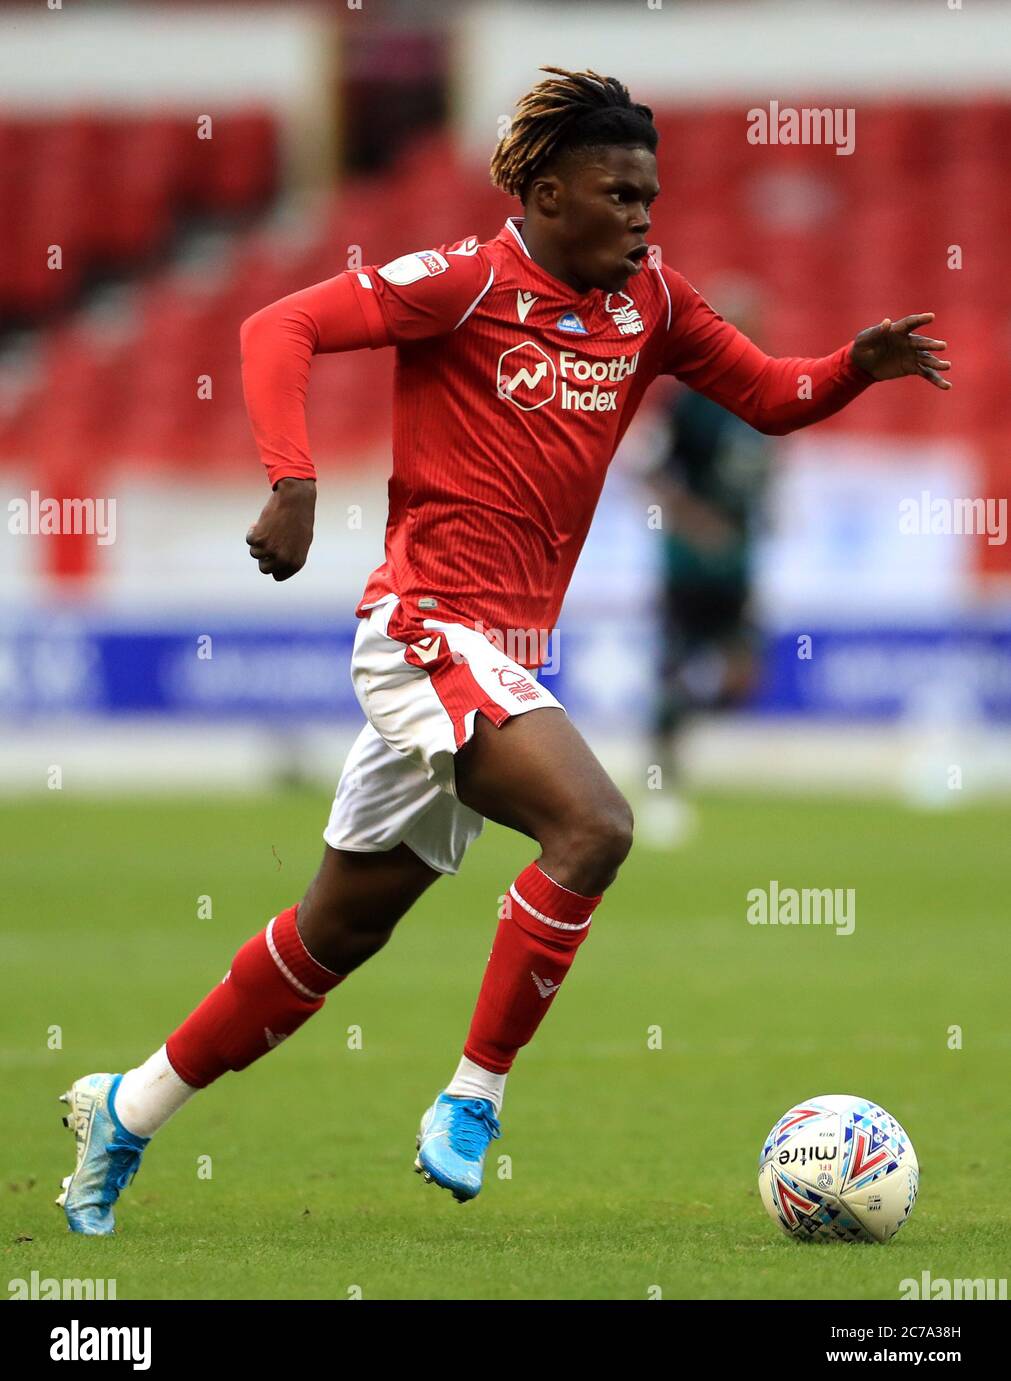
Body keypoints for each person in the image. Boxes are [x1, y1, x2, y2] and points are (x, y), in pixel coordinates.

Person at [57, 67, 951, 1233]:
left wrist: (849, 367)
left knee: (340, 929)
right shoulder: (468, 282)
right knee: (597, 825)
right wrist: (292, 477)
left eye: (652, 196)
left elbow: (773, 395)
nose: (643, 217)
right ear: (542, 191)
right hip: (425, 628)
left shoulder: (655, 307)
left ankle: (127, 1106)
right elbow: (278, 325)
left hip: (500, 657)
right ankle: (472, 1098)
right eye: (619, 193)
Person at [639, 275, 773, 846]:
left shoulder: (762, 396)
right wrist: (698, 524)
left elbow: (757, 476)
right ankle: (662, 773)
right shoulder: (688, 402)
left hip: (740, 564)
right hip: (688, 564)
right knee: (673, 668)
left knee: (744, 678)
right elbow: (652, 473)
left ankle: (676, 737)